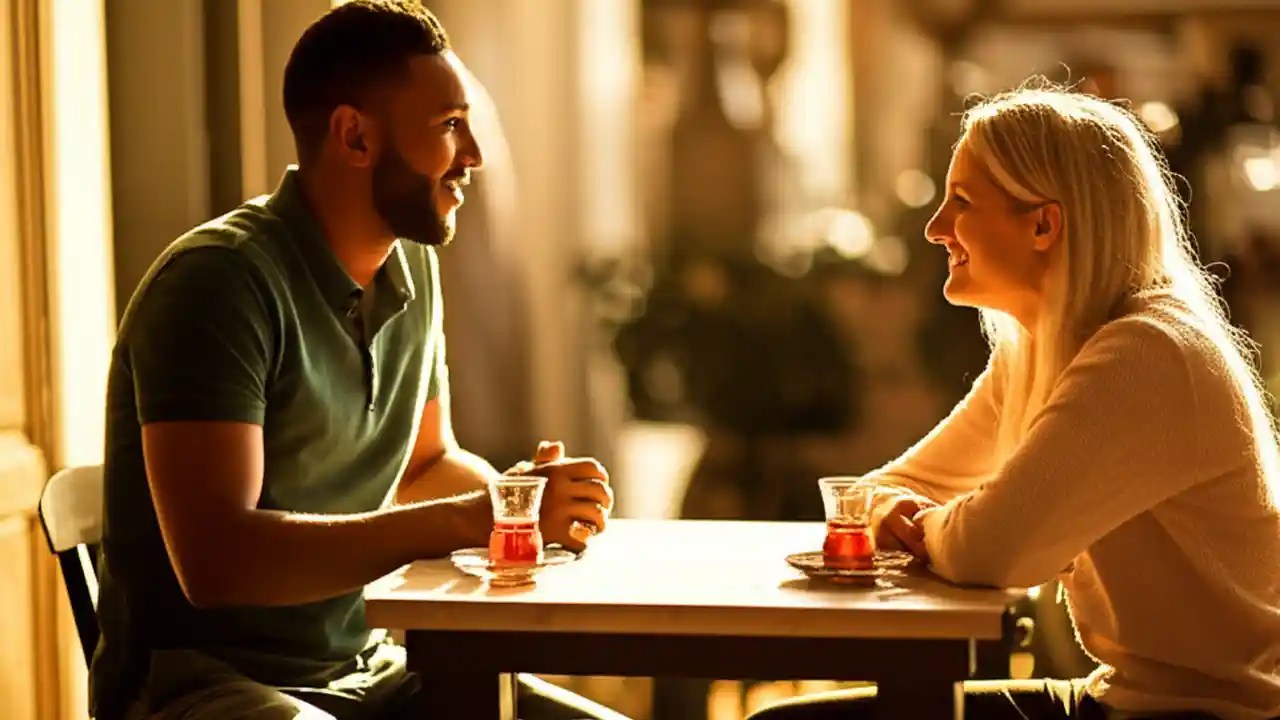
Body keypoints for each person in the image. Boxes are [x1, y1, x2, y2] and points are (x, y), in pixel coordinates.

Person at [91, 2, 622, 719]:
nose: (473, 156)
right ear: (355, 136)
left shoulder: (412, 268)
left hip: (369, 674)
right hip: (208, 688)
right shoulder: (216, 283)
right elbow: (218, 562)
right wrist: (473, 519)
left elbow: (425, 466)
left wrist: (518, 502)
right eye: (449, 126)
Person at [751, 83, 1280, 719]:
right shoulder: (1043, 351)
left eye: (961, 202)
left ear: (1043, 224)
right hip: (1118, 700)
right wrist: (905, 513)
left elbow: (990, 552)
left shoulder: (1148, 355)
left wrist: (925, 525)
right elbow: (880, 494)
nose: (935, 229)